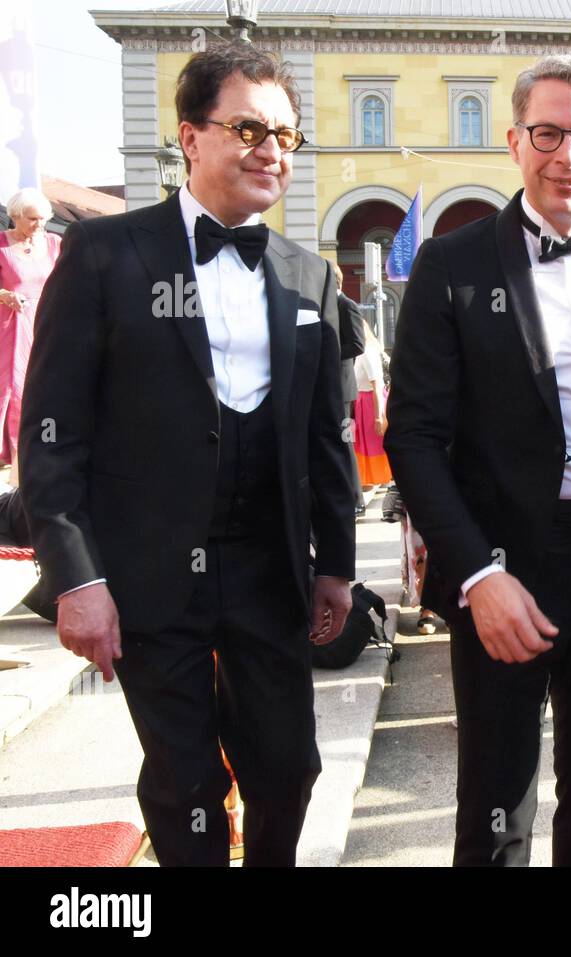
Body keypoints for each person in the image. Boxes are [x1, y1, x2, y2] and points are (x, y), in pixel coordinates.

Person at [19, 42, 356, 867]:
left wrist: (336, 565)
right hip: (146, 572)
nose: (271, 148)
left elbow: (327, 437)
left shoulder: (307, 276)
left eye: (286, 134)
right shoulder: (105, 256)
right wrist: (79, 578)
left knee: (289, 769)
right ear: (189, 136)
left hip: (266, 573)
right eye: (248, 127)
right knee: (184, 781)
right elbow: (52, 432)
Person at [385, 54, 571, 866]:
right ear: (515, 140)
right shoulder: (454, 263)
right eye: (548, 132)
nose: (568, 155)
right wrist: (477, 575)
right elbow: (410, 435)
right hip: (500, 567)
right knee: (494, 799)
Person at [0, 187, 61, 485]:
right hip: (10, 325)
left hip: (48, 323)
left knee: (43, 388)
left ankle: (40, 456)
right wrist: (3, 295)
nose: (39, 224)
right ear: (16, 216)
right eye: (32, 219)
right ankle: (13, 464)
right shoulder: (1, 245)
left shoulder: (54, 244)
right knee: (11, 390)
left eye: (43, 218)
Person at [331, 260, 367, 516]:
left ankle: (356, 499)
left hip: (343, 387)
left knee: (345, 443)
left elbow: (357, 344)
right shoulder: (328, 306)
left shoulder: (347, 305)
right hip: (330, 387)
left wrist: (327, 353)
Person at [353, 319, 391, 489]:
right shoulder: (370, 348)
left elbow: (376, 385)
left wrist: (378, 416)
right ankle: (378, 478)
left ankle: (376, 478)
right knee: (373, 444)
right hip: (369, 400)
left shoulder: (365, 351)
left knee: (372, 443)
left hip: (370, 402)